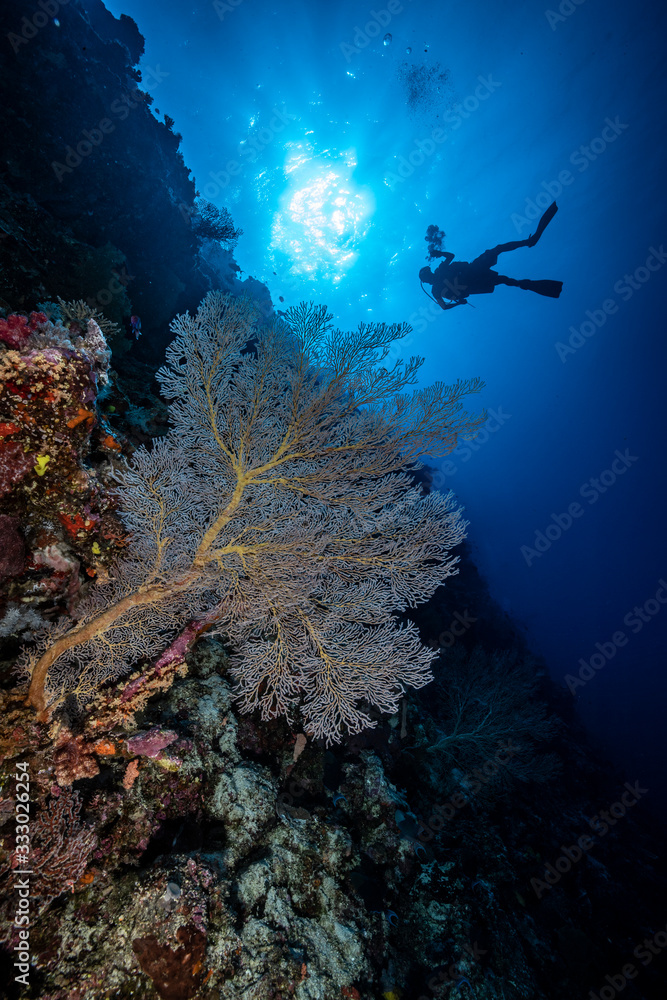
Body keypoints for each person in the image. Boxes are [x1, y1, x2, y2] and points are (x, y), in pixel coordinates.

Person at [419, 202, 562, 310]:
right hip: (472, 278)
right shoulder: (436, 285)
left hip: (472, 274)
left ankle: (529, 243)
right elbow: (444, 306)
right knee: (502, 275)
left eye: (428, 272)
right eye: (428, 273)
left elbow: (450, 256)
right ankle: (527, 277)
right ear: (426, 279)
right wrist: (460, 303)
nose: (431, 273)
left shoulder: (439, 277)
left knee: (499, 261)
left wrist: (439, 253)